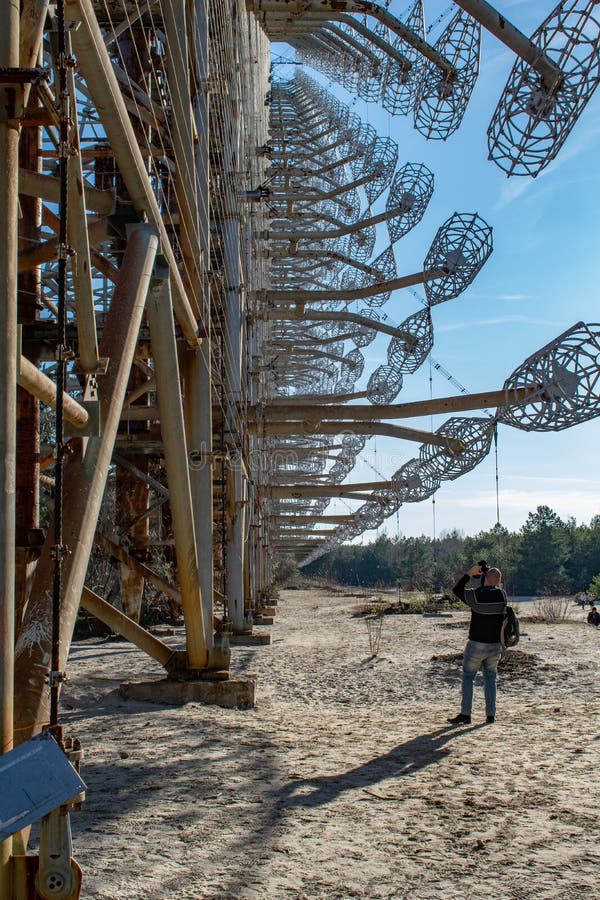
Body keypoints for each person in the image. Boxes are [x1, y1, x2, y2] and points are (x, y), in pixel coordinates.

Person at [447, 562, 507, 726]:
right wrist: (488, 577)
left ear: (485, 578)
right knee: (490, 678)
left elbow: (457, 590)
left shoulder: (476, 596)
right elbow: (494, 586)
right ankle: (490, 715)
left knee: (468, 677)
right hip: (495, 645)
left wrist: (469, 574)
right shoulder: (502, 596)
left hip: (476, 643)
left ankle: (466, 714)